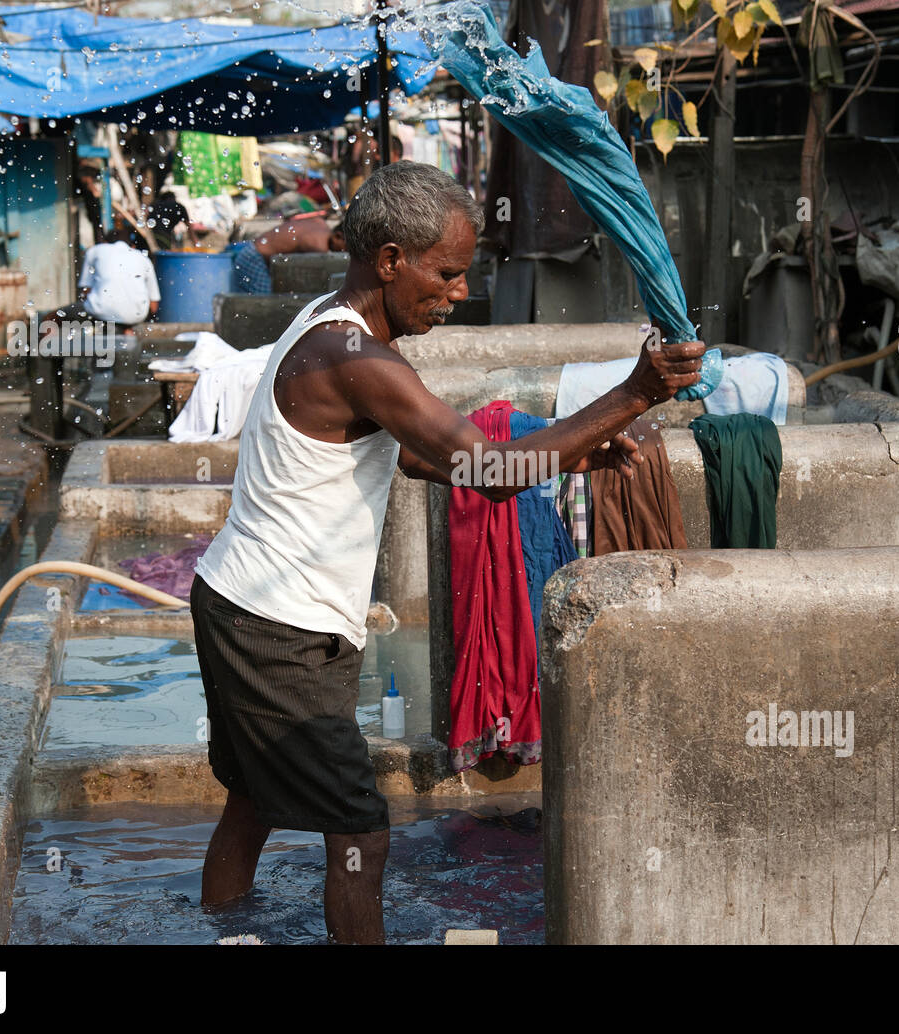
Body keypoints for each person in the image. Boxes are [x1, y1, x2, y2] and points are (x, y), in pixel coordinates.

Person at [190, 160, 703, 944]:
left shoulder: (332, 325)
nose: (459, 292)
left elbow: (428, 460)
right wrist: (635, 394)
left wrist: (571, 452)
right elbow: (491, 475)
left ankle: (220, 933)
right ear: (391, 260)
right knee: (361, 835)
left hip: (252, 607)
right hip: (276, 625)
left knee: (253, 801)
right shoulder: (359, 358)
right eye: (447, 273)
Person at [54, 226, 160, 331]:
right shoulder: (143, 258)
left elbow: (86, 292)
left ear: (105, 242)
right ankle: (126, 330)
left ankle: (43, 346)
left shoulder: (95, 250)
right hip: (136, 317)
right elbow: (154, 306)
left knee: (51, 318)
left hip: (101, 313)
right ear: (132, 246)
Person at [231, 209, 347, 294]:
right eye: (345, 249)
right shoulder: (318, 247)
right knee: (262, 303)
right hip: (254, 259)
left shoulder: (320, 223)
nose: (343, 253)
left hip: (250, 251)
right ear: (338, 236)